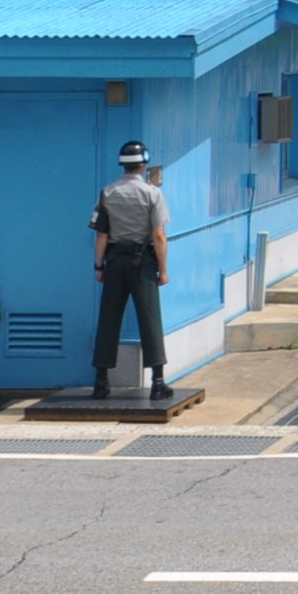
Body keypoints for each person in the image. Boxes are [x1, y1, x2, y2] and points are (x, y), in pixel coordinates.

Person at [90, 140, 173, 401]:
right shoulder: (153, 194)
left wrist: (100, 265)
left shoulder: (108, 193)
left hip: (115, 260)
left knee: (108, 318)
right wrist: (163, 269)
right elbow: (158, 235)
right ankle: (157, 382)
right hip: (143, 262)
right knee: (149, 319)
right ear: (144, 163)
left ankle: (101, 381)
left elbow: (101, 235)